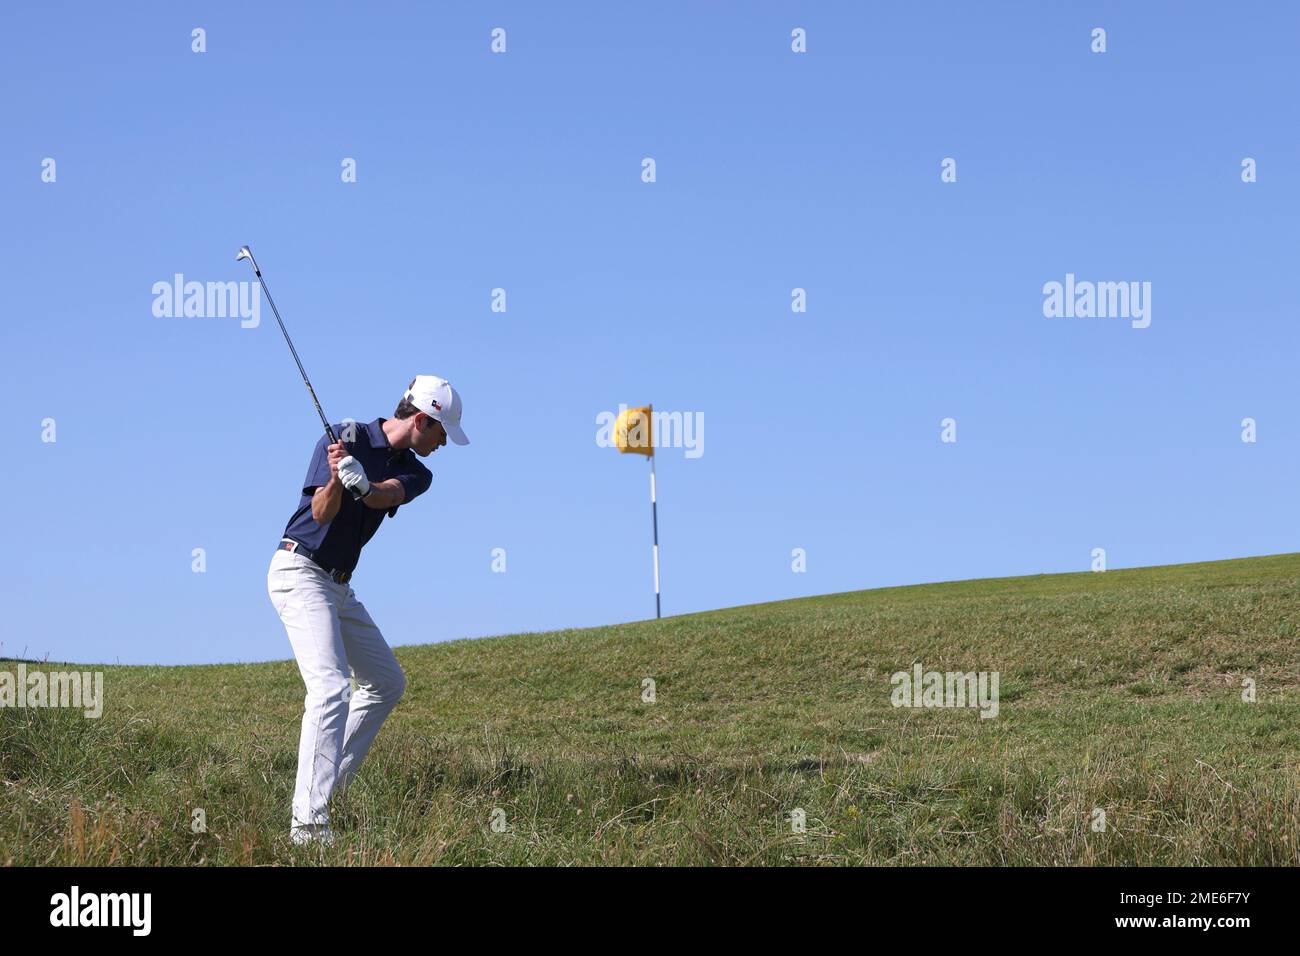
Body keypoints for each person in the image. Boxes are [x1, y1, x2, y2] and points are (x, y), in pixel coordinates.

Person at [266, 375, 469, 845]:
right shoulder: (344, 435)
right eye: (441, 432)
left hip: (339, 585)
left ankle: (323, 791)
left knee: (386, 683)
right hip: (299, 570)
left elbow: (387, 495)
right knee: (331, 688)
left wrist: (364, 484)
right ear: (422, 419)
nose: (442, 443)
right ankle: (309, 827)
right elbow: (319, 513)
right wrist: (339, 477)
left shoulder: (419, 472)